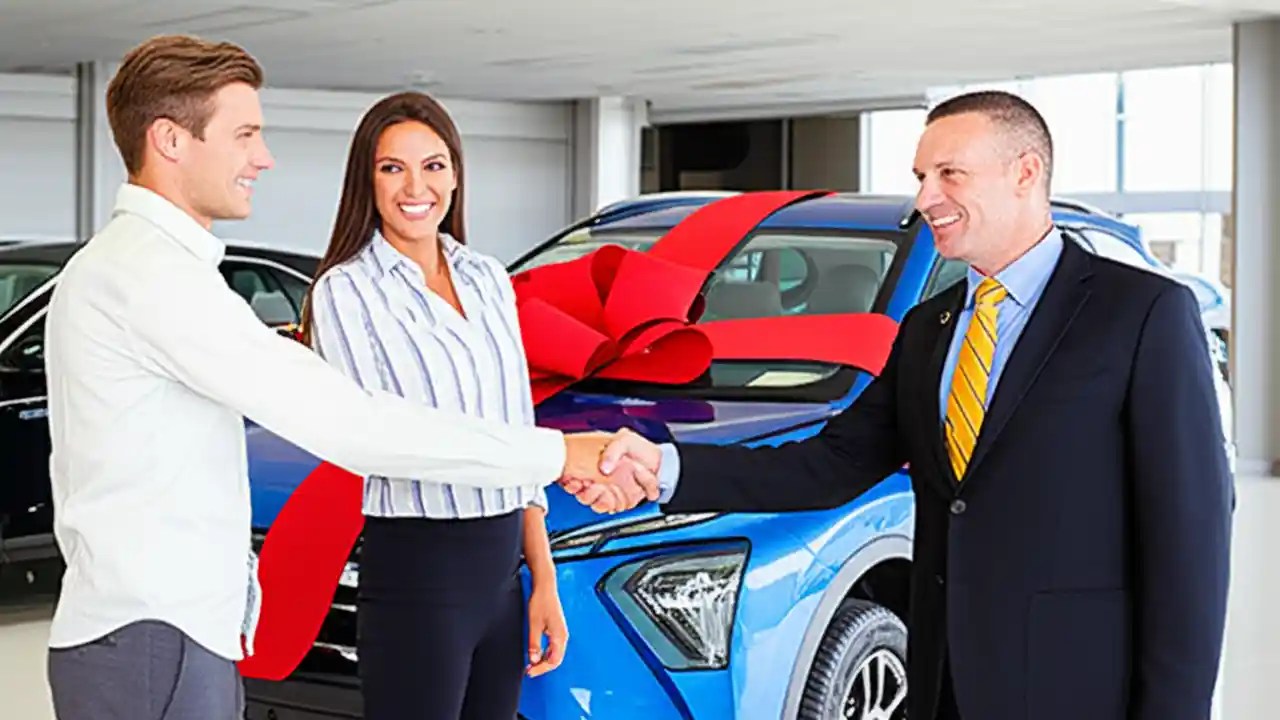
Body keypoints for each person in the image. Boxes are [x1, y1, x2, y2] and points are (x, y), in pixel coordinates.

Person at [42, 35, 652, 720]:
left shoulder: (150, 270)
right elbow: (357, 425)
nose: (263, 158)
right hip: (156, 637)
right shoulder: (151, 279)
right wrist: (560, 451)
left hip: (169, 634)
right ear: (170, 140)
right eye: (245, 134)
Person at [584, 91, 1233, 720]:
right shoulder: (929, 326)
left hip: (1076, 688)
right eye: (922, 175)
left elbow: (1188, 544)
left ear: (1025, 173)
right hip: (944, 682)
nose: (926, 198)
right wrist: (663, 467)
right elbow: (830, 463)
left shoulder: (1142, 313)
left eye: (950, 173)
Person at [299, 90, 583, 719]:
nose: (414, 186)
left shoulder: (486, 278)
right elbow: (385, 437)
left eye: (433, 165)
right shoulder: (345, 292)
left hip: (502, 572)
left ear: (455, 175)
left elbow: (515, 427)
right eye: (391, 167)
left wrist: (543, 577)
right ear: (365, 181)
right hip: (417, 576)